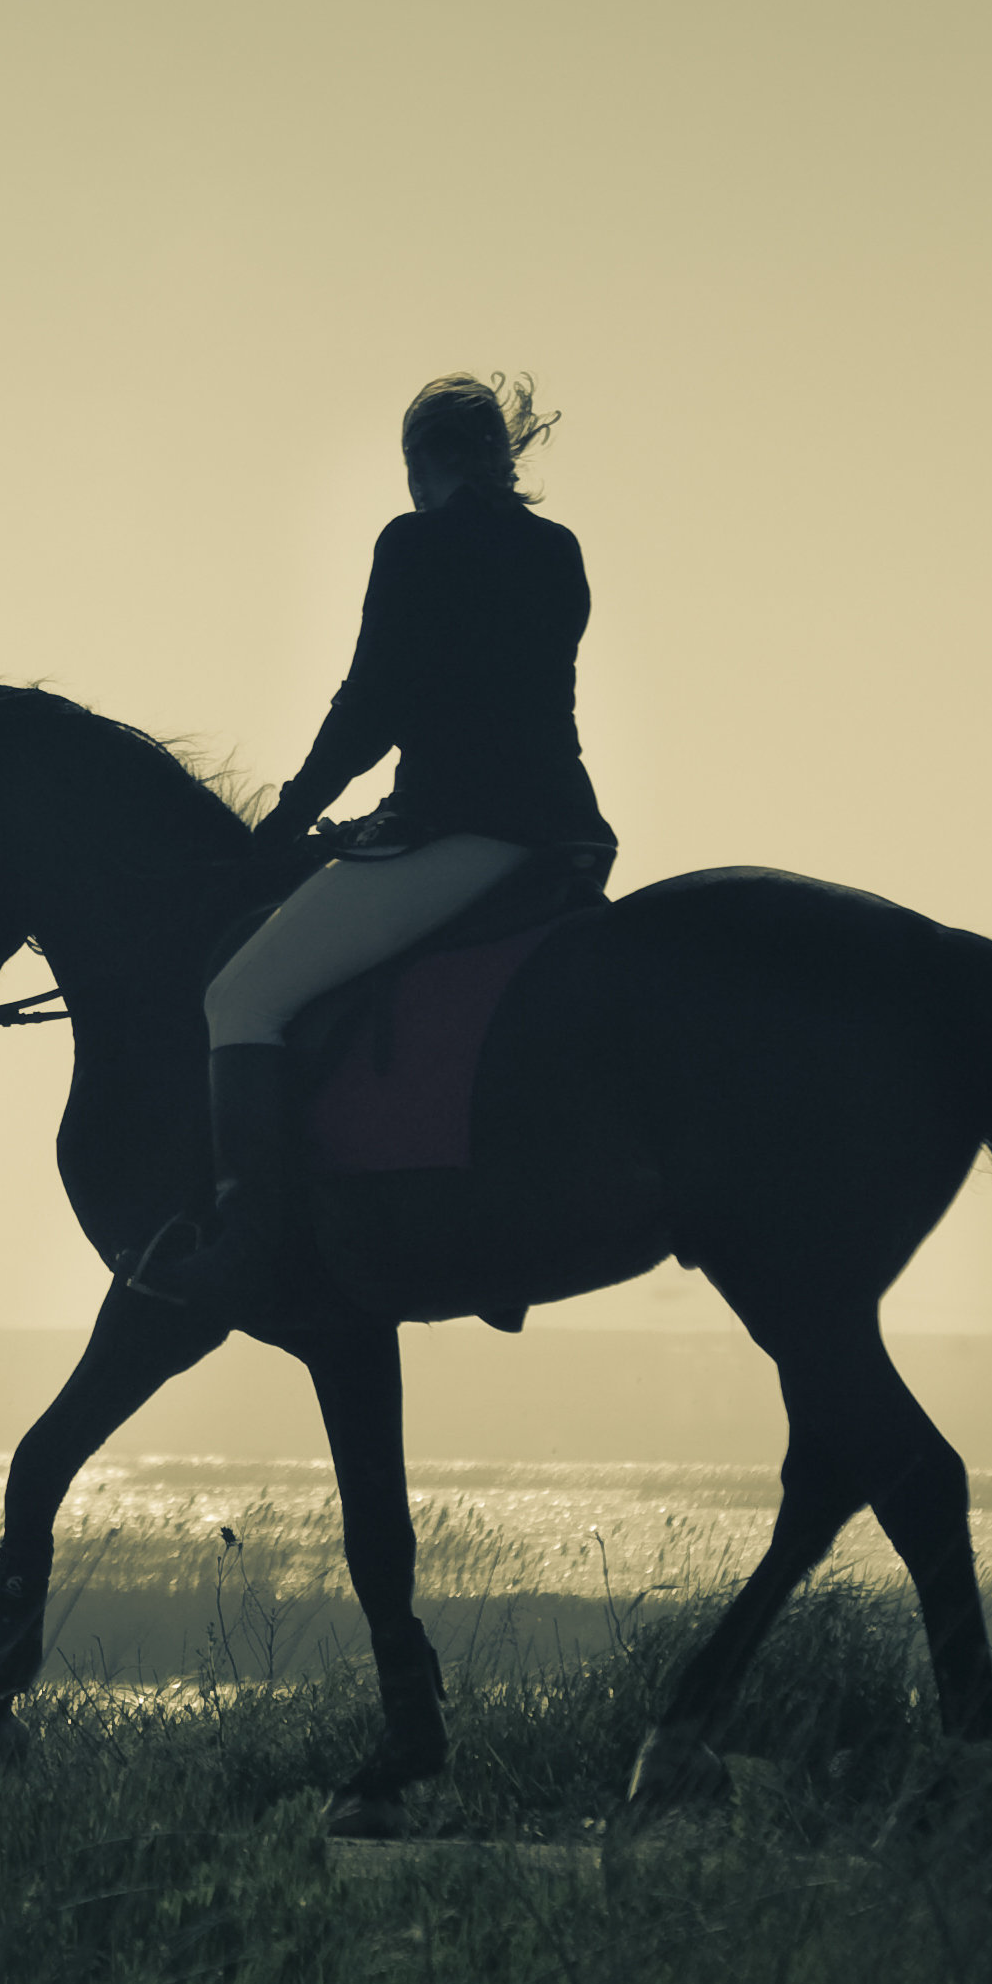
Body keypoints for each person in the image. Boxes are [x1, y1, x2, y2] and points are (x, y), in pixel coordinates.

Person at [129, 373, 620, 1318]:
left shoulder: (416, 541)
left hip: (463, 831)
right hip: (566, 837)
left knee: (242, 996)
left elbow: (373, 704)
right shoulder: (555, 548)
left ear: (421, 462)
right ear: (501, 457)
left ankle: (251, 1239)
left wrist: (287, 819)